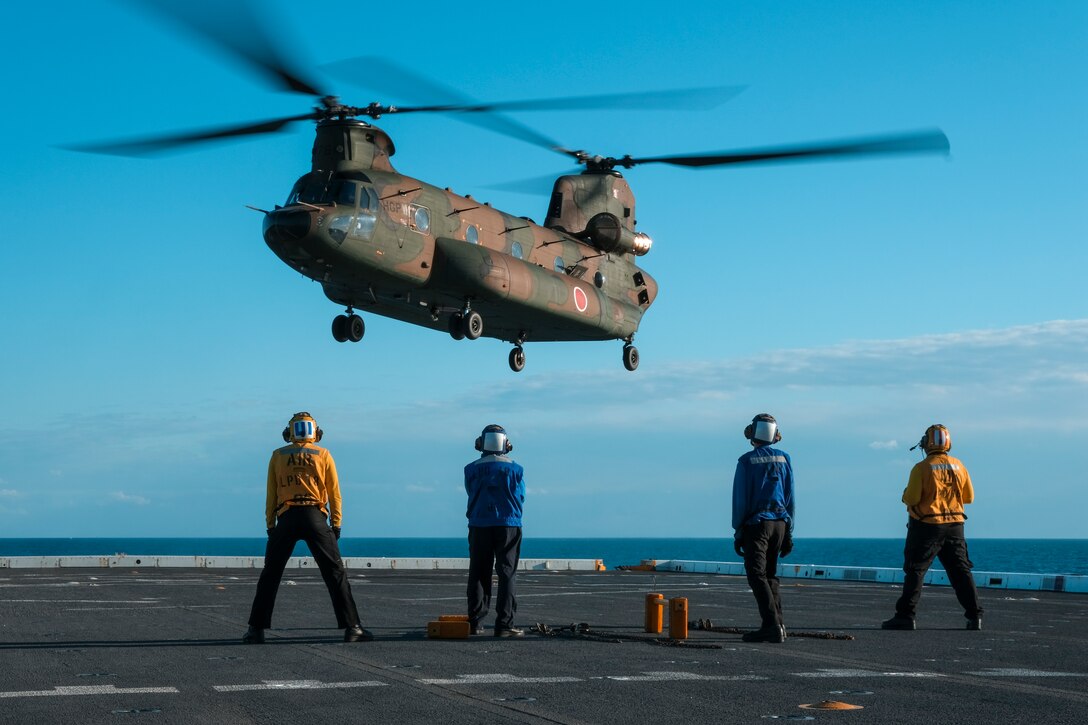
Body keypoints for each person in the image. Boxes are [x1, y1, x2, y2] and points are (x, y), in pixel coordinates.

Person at [243, 412, 370, 644]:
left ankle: (255, 630)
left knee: (270, 574)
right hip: (315, 516)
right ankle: (353, 628)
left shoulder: (277, 456)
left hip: (286, 516)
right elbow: (335, 493)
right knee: (335, 573)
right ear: (315, 432)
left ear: (289, 432)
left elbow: (271, 495)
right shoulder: (323, 454)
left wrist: (270, 524)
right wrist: (337, 523)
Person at [882, 424, 983, 631]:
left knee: (916, 570)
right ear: (949, 443)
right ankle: (974, 616)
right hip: (955, 525)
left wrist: (905, 495)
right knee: (961, 571)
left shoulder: (922, 468)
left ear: (926, 443)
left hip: (926, 526)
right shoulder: (959, 465)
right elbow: (969, 498)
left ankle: (906, 616)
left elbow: (911, 498)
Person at [732, 413, 795, 644]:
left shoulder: (746, 461)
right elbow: (790, 497)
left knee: (756, 574)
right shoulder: (784, 458)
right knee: (770, 575)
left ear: (752, 432)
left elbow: (741, 500)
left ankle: (770, 625)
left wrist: (738, 532)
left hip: (757, 525)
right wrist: (788, 532)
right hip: (780, 524)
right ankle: (779, 624)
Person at [465, 424, 526, 637]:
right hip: (509, 523)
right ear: (505, 444)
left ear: (480, 444)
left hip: (479, 522)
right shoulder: (516, 469)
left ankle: (475, 621)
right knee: (507, 572)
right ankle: (505, 624)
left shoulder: (470, 468)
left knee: (479, 572)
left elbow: (469, 491)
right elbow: (521, 496)